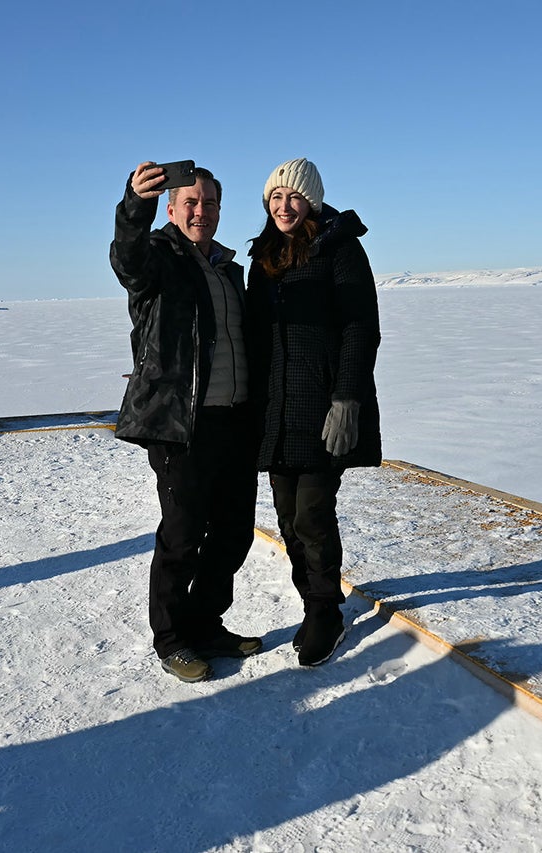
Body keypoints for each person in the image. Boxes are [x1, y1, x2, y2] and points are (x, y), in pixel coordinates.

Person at [110, 161, 263, 683]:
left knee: (234, 532)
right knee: (182, 535)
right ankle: (172, 639)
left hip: (235, 421)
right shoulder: (158, 258)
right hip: (182, 423)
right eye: (191, 203)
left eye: (210, 203)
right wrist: (135, 205)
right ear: (172, 209)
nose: (201, 211)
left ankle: (205, 624)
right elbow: (126, 257)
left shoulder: (226, 268)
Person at [246, 157, 382, 667]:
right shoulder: (265, 256)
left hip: (323, 405)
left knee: (312, 514)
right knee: (287, 516)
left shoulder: (341, 249)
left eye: (294, 197)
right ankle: (312, 601)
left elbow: (360, 327)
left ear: (313, 201)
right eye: (276, 197)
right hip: (276, 410)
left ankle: (327, 609)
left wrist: (347, 398)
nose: (284, 206)